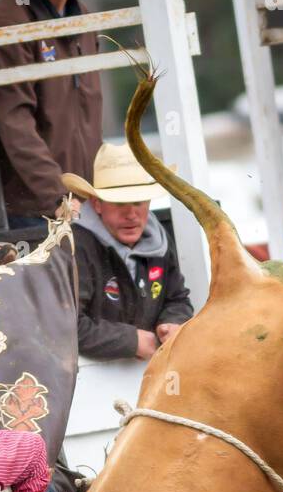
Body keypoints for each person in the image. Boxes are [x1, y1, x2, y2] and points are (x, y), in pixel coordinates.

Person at [0, 0, 106, 229]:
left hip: (83, 202)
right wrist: (57, 196)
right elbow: (15, 122)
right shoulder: (8, 22)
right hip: (37, 210)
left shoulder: (82, 16)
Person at [63, 142, 193, 360]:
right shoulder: (75, 247)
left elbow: (177, 298)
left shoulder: (159, 240)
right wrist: (131, 341)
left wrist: (173, 323)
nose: (131, 214)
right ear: (97, 205)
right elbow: (66, 325)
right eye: (119, 203)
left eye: (138, 202)